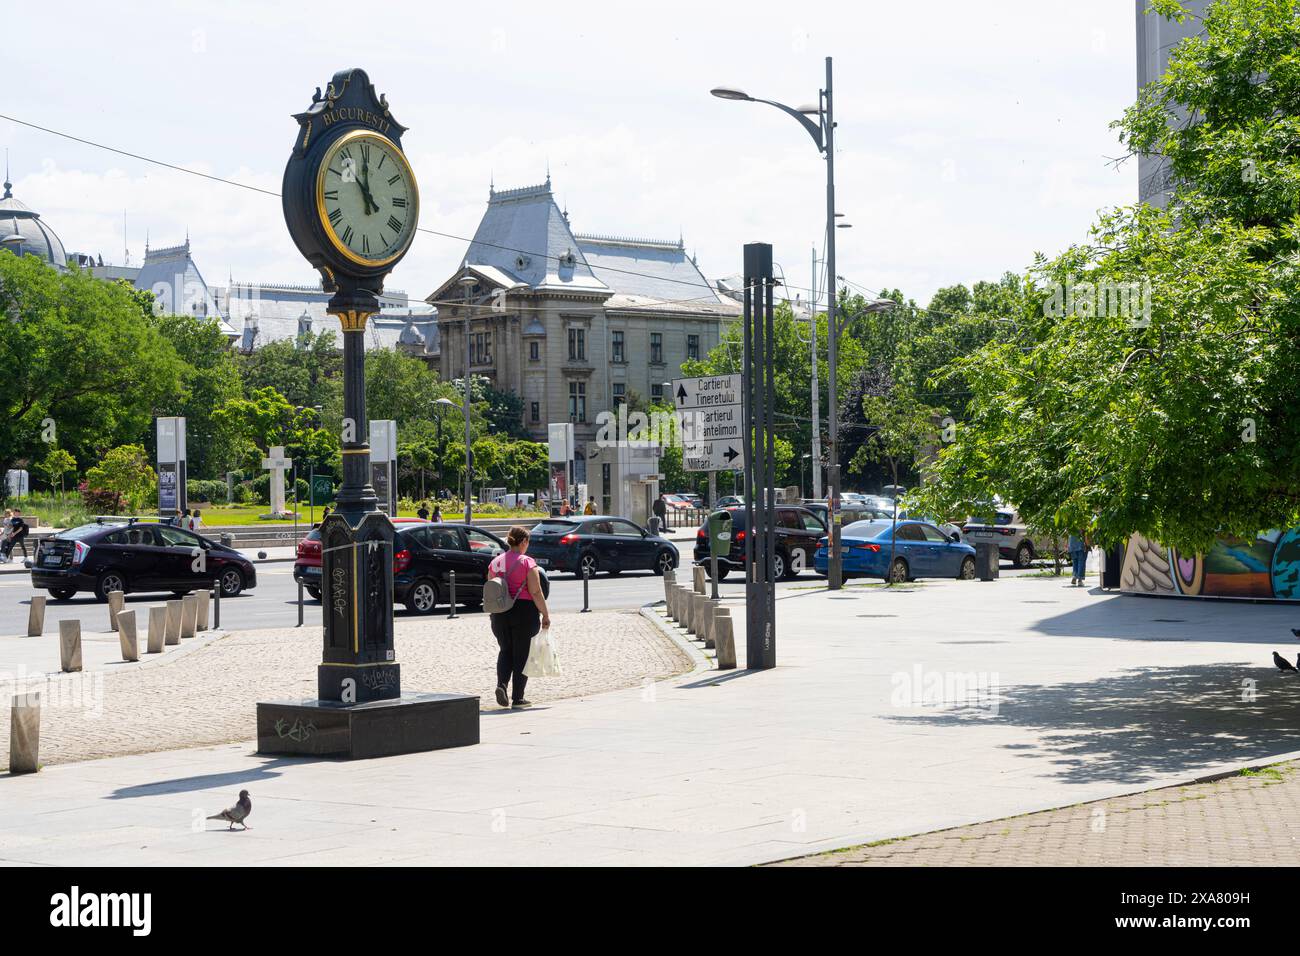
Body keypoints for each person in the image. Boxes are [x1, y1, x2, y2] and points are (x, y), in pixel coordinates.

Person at [487, 526, 551, 709]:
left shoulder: (495, 562)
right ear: (523, 542)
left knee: (505, 650)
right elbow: (536, 591)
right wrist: (545, 614)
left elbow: (491, 587)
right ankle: (518, 698)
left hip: (499, 612)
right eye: (527, 542)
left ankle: (501, 685)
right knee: (522, 654)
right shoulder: (527, 562)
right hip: (524, 611)